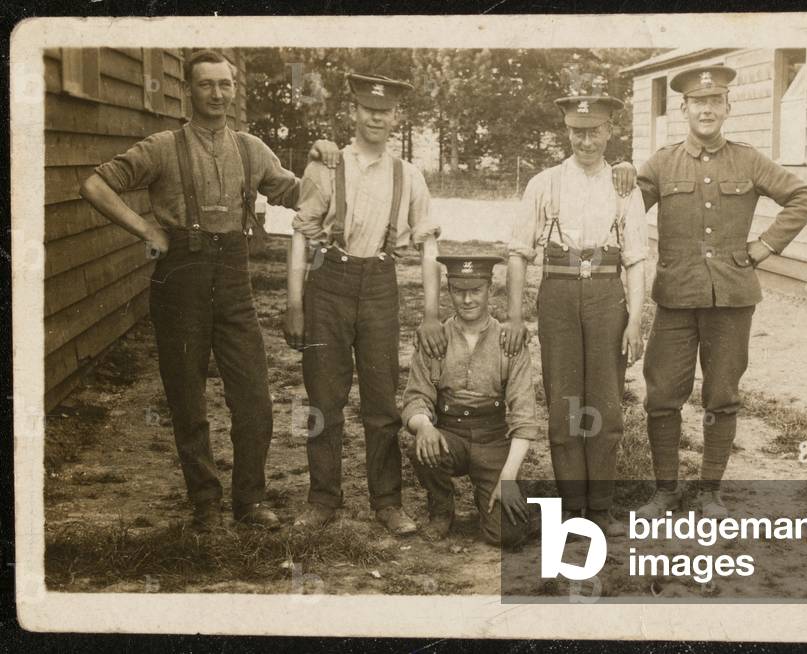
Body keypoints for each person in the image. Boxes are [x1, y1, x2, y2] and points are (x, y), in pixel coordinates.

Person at [79, 49, 341, 532]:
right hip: (180, 277)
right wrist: (148, 231)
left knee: (254, 399)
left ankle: (250, 500)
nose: (217, 94)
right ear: (188, 90)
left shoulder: (251, 149)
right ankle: (204, 501)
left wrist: (321, 158)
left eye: (225, 85)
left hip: (234, 277)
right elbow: (95, 185)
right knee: (187, 397)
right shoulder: (161, 147)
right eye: (206, 85)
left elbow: (302, 195)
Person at [627, 65, 807, 518]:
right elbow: (624, 208)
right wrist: (617, 172)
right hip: (674, 298)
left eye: (715, 102)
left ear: (728, 108)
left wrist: (765, 245)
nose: (707, 109)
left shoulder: (749, 160)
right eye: (699, 102)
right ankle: (665, 492)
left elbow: (804, 196)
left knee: (722, 395)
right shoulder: (661, 162)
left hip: (733, 299)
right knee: (661, 396)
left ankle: (710, 492)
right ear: (684, 109)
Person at [286, 73, 443, 535]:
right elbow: (300, 232)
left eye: (386, 110)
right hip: (328, 284)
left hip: (379, 284)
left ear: (397, 117)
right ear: (353, 111)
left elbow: (428, 243)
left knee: (380, 400)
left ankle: (387, 501)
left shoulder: (408, 174)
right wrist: (294, 304)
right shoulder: (326, 167)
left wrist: (432, 314)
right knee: (324, 398)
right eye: (368, 108)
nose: (377, 116)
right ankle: (322, 498)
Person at [504, 95, 647, 537]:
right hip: (559, 293)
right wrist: (514, 316)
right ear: (567, 132)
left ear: (609, 132)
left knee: (604, 397)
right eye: (578, 131)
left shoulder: (625, 186)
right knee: (565, 397)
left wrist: (636, 319)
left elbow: (638, 259)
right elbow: (518, 252)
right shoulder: (543, 183)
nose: (586, 140)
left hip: (607, 295)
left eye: (595, 130)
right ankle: (572, 503)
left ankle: (600, 503)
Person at [402, 255, 539, 547]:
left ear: (490, 288)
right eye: (458, 290)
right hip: (450, 434)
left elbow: (524, 416)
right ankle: (441, 509)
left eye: (475, 290)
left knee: (508, 535)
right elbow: (415, 398)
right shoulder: (434, 338)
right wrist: (424, 426)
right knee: (421, 446)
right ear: (448, 290)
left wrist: (508, 476)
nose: (466, 300)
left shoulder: (509, 340)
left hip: (493, 440)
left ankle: (499, 499)